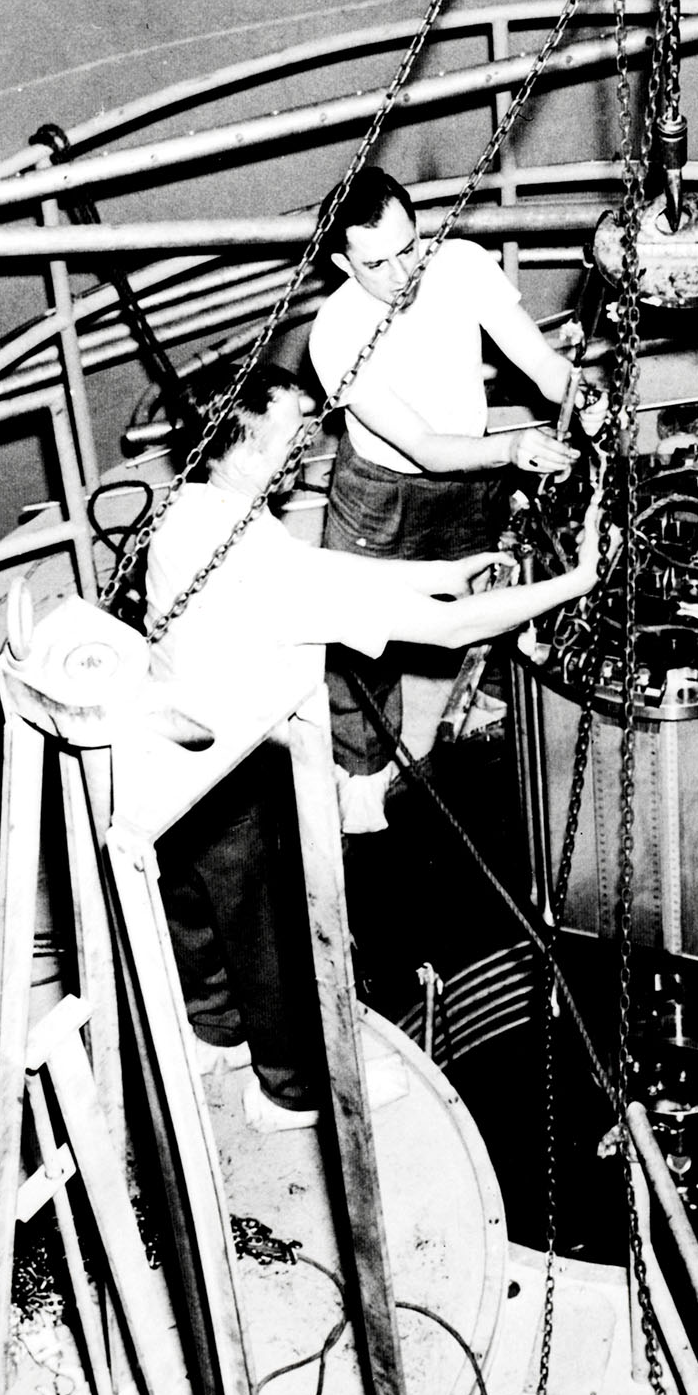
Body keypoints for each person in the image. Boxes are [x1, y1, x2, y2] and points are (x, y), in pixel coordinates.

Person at [146, 360, 602, 1129]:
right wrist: (574, 583)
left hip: (175, 765)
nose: (305, 449)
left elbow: (321, 570)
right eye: (293, 431)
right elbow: (449, 632)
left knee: (206, 916)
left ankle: (214, 1034)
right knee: (281, 931)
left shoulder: (200, 510)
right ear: (248, 442)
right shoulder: (243, 555)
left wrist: (444, 571)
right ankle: (289, 1092)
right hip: (239, 775)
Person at [306, 166, 601, 826]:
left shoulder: (462, 266)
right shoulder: (334, 333)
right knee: (358, 634)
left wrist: (579, 393)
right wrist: (513, 448)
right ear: (342, 262)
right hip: (383, 490)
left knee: (495, 587)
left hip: (471, 482)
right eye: (378, 262)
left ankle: (499, 698)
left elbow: (541, 363)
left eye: (410, 247)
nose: (402, 271)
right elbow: (423, 448)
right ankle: (361, 765)